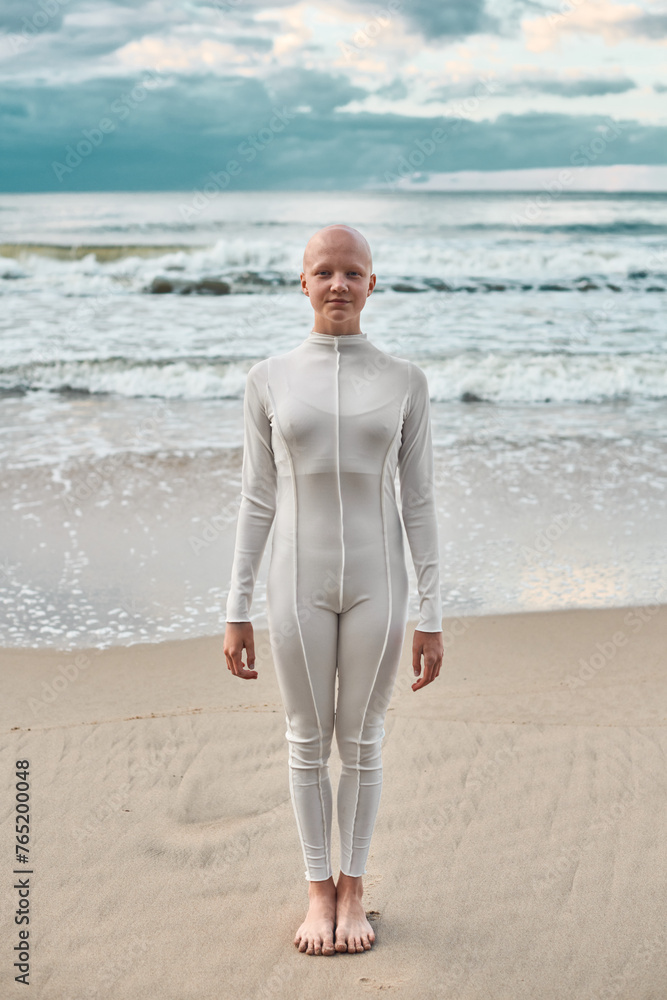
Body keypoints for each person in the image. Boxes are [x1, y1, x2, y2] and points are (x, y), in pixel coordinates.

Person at [224, 224, 444, 956]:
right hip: (295, 584)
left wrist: (432, 614)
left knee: (364, 741)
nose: (338, 285)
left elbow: (418, 503)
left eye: (352, 272)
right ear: (303, 282)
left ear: (372, 283)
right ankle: (317, 891)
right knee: (305, 741)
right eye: (324, 272)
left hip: (380, 587)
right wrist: (236, 609)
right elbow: (256, 501)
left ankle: (355, 888)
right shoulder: (268, 379)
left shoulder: (405, 381)